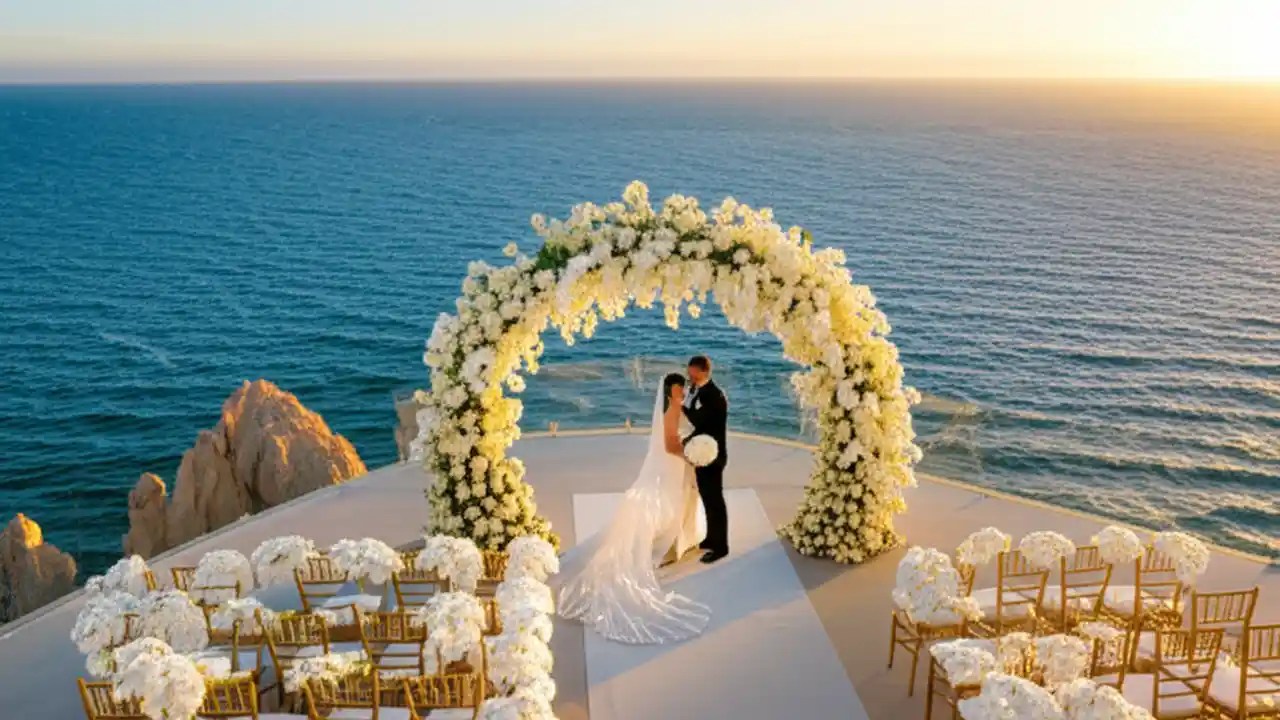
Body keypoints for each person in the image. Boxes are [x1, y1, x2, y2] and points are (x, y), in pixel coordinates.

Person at [554, 373, 710, 644]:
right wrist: (692, 455)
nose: (681, 394)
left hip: (669, 466)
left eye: (682, 389)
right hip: (669, 465)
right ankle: (670, 542)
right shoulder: (671, 411)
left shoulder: (676, 408)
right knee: (666, 502)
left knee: (675, 500)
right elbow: (670, 445)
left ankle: (680, 540)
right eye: (677, 391)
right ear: (668, 393)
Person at [683, 354, 729, 563]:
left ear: (703, 371)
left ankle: (721, 547)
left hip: (712, 456)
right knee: (707, 499)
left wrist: (680, 406)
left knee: (715, 501)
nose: (690, 375)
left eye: (693, 372)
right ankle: (711, 538)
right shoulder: (700, 390)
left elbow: (700, 421)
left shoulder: (713, 395)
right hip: (703, 453)